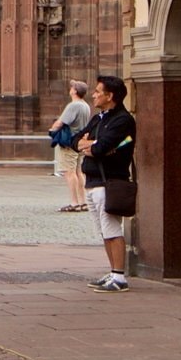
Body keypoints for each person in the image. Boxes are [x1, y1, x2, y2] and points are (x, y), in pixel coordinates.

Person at [77, 75, 137, 293]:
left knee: (112, 229)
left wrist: (92, 145)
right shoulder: (99, 118)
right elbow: (75, 140)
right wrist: (88, 144)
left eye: (97, 91)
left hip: (109, 180)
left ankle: (119, 277)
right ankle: (113, 272)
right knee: (104, 231)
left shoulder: (122, 120)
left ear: (109, 96)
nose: (93, 94)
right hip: (93, 180)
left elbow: (102, 147)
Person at [52, 79, 94, 212]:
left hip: (68, 142)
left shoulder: (73, 105)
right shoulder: (85, 105)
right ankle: (83, 202)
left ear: (75, 91)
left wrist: (52, 131)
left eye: (72, 87)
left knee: (69, 172)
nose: (70, 89)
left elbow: (61, 122)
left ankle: (74, 203)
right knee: (78, 172)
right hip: (79, 141)